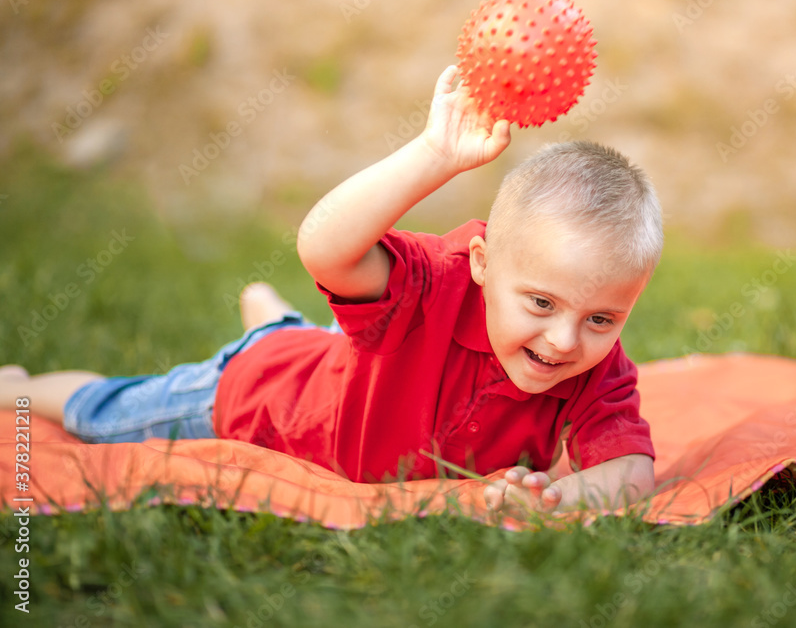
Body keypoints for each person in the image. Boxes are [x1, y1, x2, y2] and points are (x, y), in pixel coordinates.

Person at [0, 66, 663, 515]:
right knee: (105, 415)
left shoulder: (594, 367)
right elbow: (325, 250)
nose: (565, 340)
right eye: (542, 303)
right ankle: (25, 386)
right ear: (483, 264)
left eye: (602, 318)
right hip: (257, 396)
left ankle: (274, 320)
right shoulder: (433, 284)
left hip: (335, 361)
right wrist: (435, 155)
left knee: (313, 341)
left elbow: (631, 472)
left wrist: (556, 499)